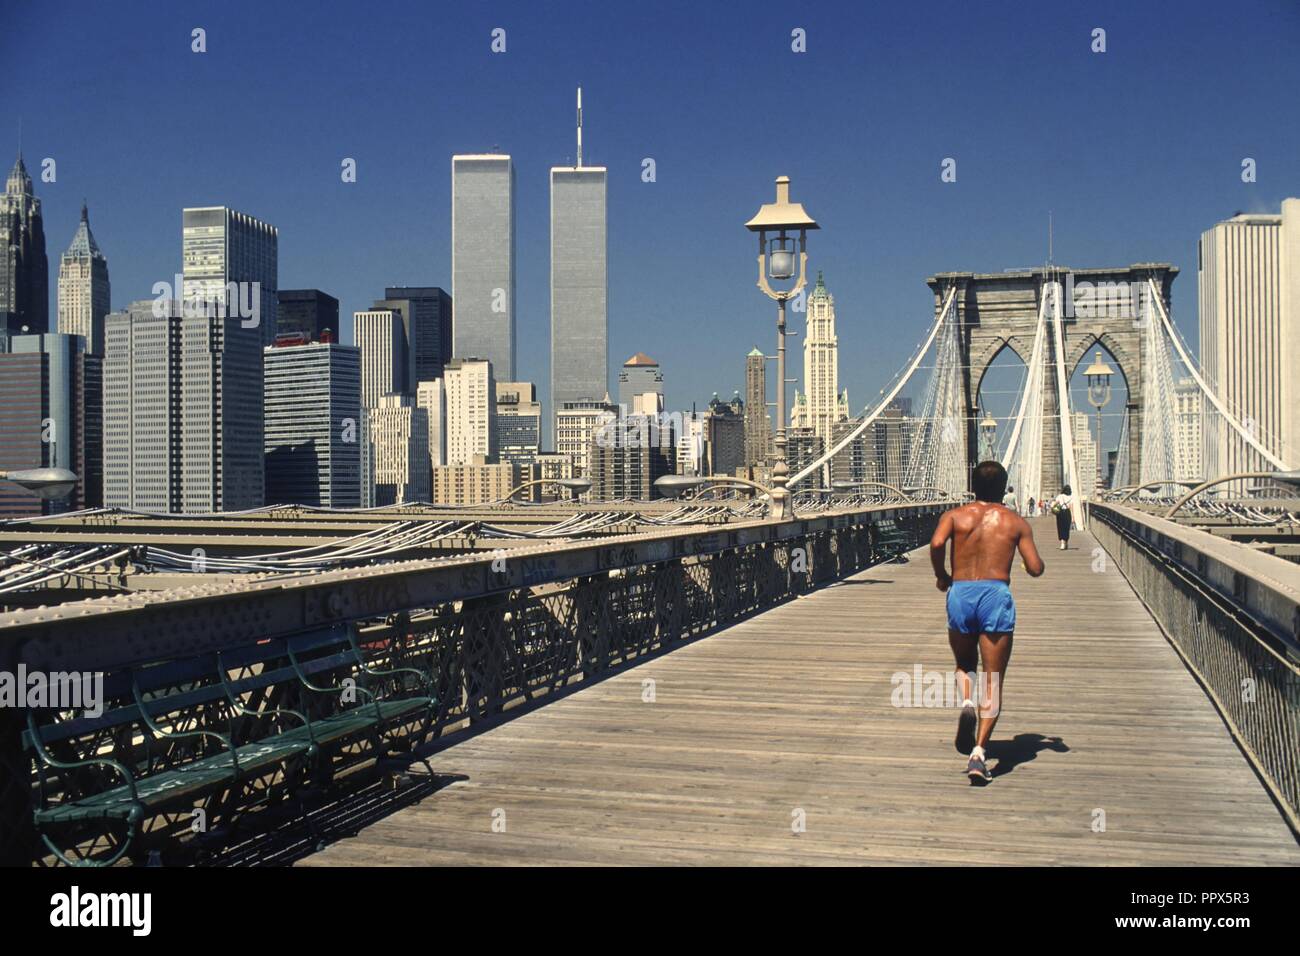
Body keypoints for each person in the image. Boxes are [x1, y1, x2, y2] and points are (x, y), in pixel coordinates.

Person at [930, 461, 1045, 783]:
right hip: (995, 594)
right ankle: (979, 753)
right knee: (993, 680)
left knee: (964, 662)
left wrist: (942, 576)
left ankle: (967, 700)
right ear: (1004, 487)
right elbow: (1035, 568)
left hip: (961, 591)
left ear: (972, 485)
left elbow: (937, 544)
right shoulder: (1015, 522)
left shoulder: (954, 516)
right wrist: (1030, 564)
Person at [1051, 485, 1073, 550]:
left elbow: (1055, 503)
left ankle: (1062, 543)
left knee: (1061, 527)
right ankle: (1066, 542)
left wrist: (1052, 508)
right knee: (1066, 528)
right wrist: (1073, 518)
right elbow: (1071, 507)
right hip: (1067, 513)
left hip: (1060, 513)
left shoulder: (1060, 496)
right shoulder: (1071, 497)